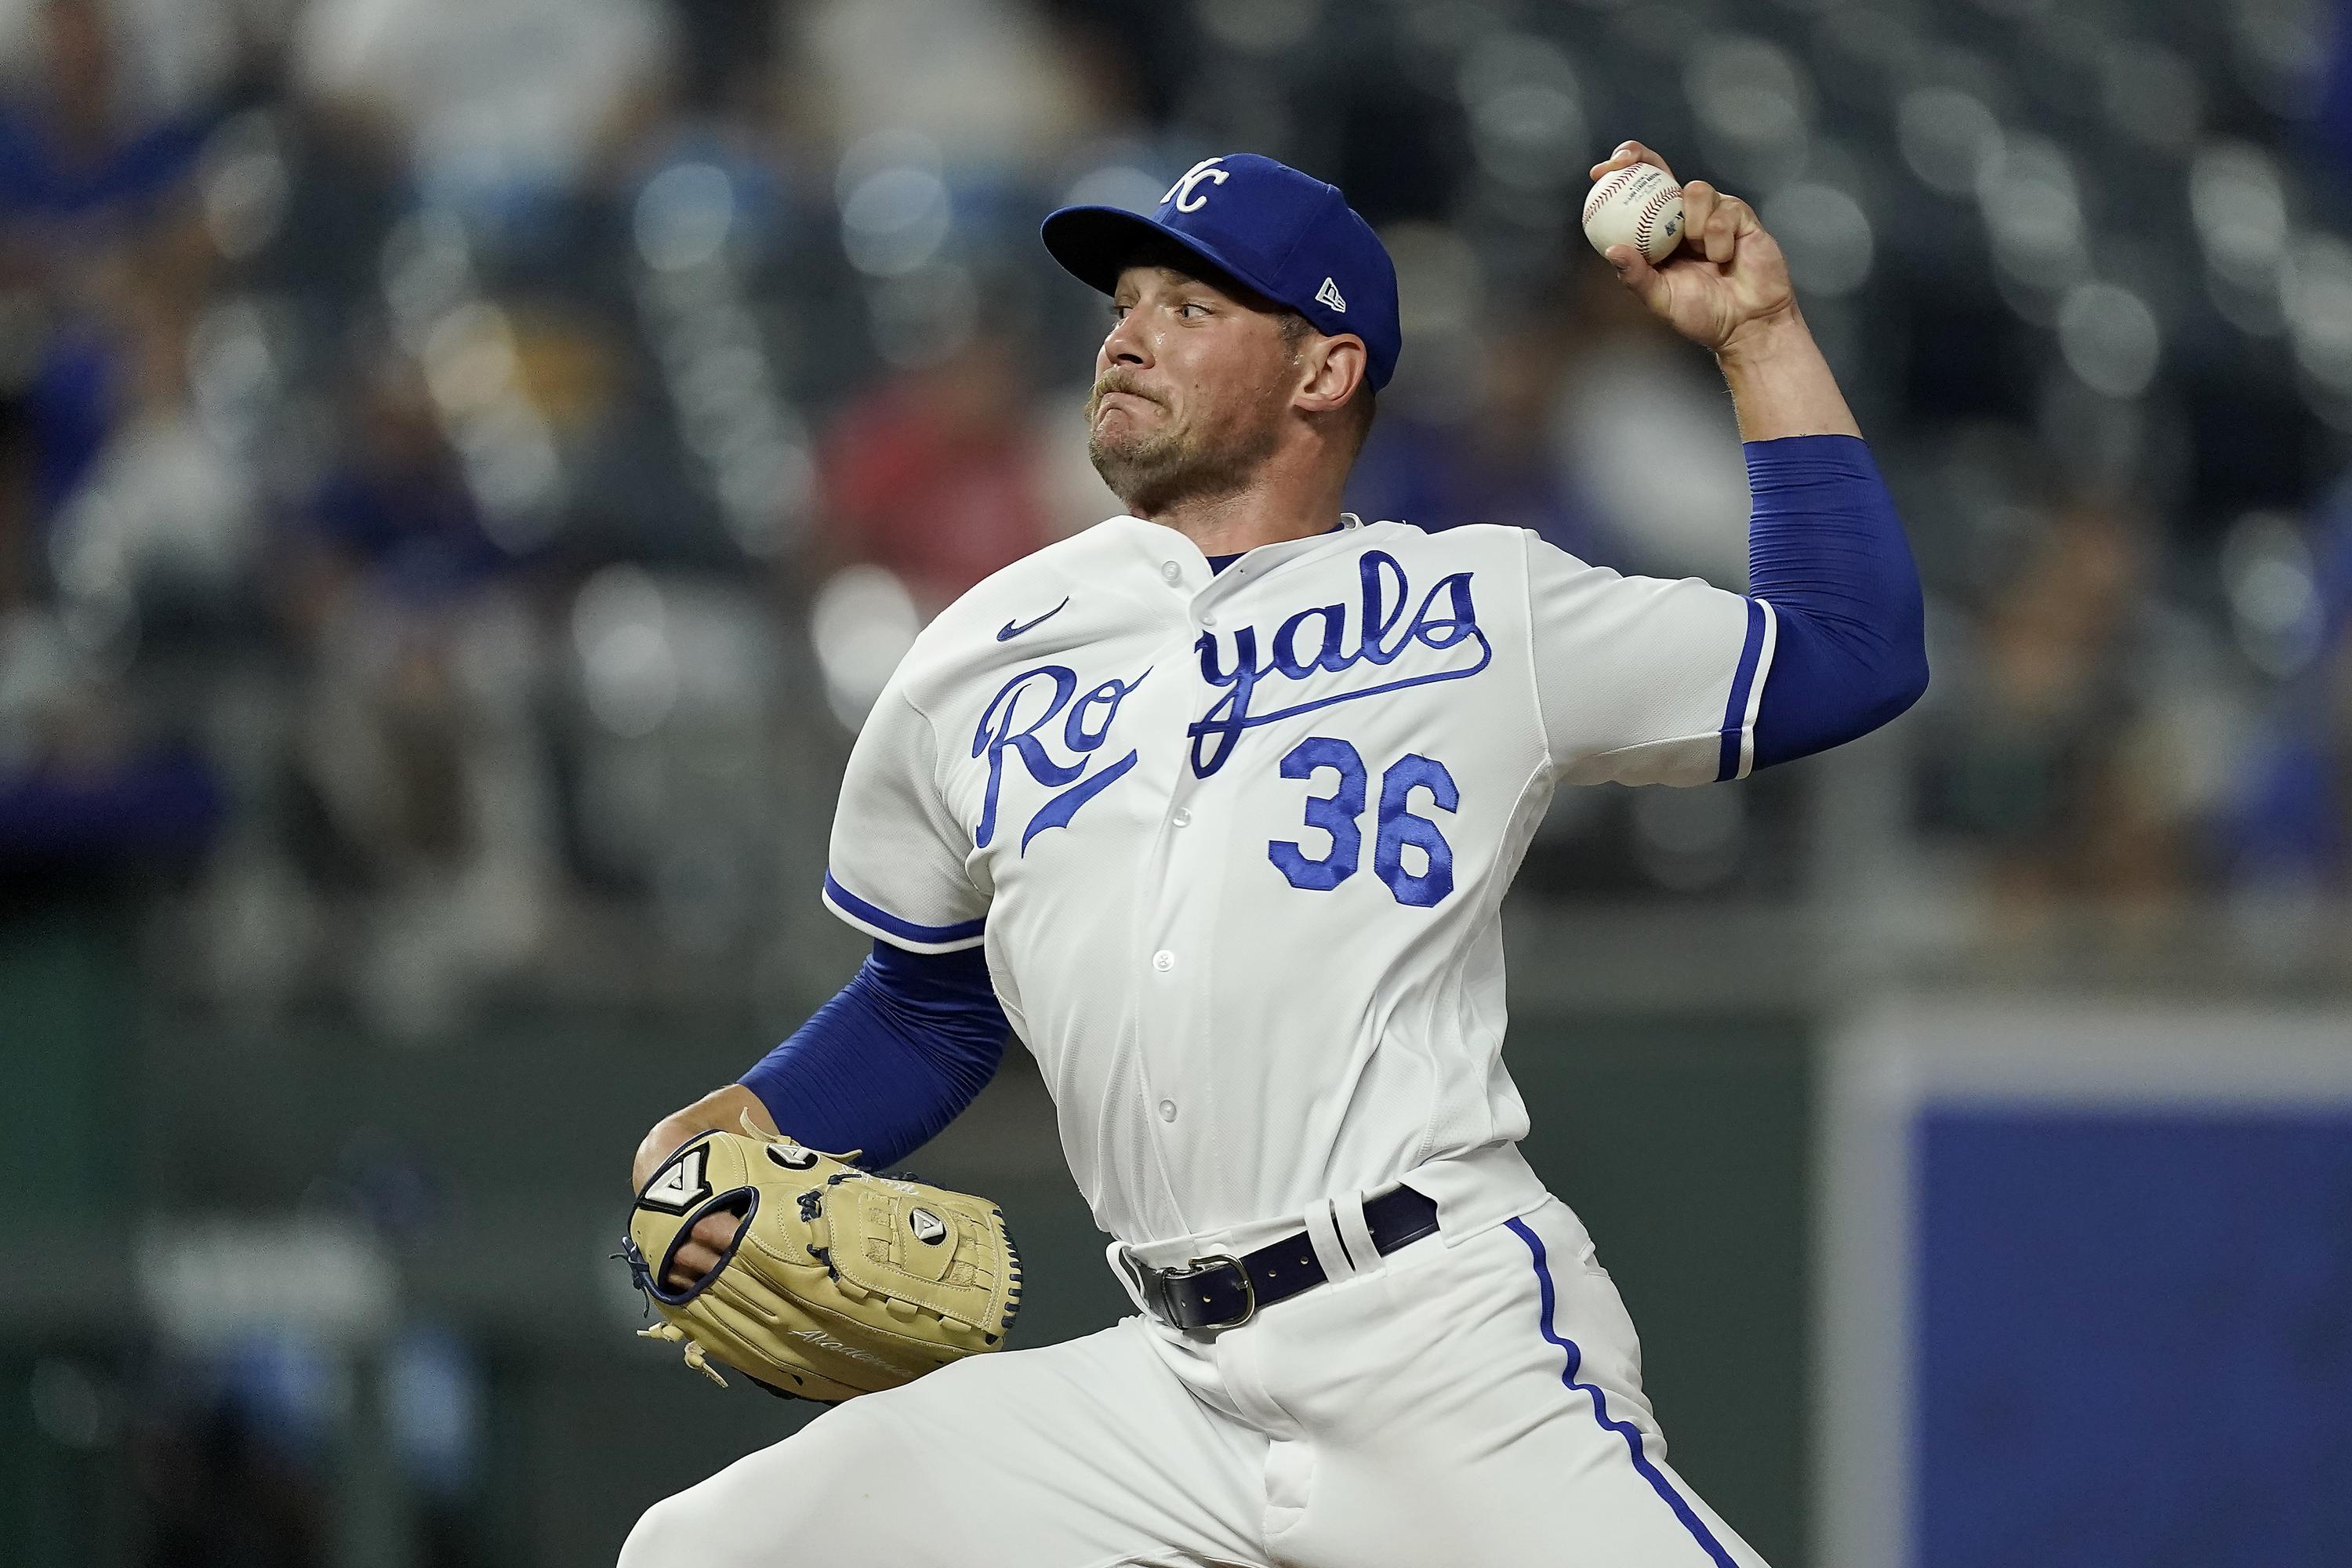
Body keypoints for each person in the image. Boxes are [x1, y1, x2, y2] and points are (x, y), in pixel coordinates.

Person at [619, 143, 1927, 1568]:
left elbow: (1848, 656)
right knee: (708, 1552)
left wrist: (1761, 337)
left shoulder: (1478, 608)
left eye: (1190, 307)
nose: (1124, 335)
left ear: (1323, 371)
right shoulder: (982, 654)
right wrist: (740, 1122)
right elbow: (934, 1001)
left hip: (1432, 1338)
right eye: (1125, 302)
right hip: (1164, 1385)